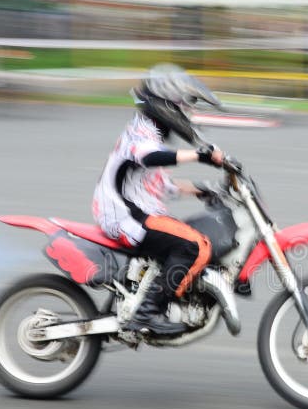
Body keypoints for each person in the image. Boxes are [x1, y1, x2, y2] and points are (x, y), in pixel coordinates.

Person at [91, 65, 225, 335]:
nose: (188, 112)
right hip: (125, 216)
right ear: (167, 104)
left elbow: (159, 186)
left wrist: (204, 189)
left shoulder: (152, 132)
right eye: (185, 105)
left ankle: (150, 300)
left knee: (187, 237)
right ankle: (146, 314)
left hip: (134, 211)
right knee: (196, 246)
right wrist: (200, 155)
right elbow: (149, 157)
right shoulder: (142, 133)